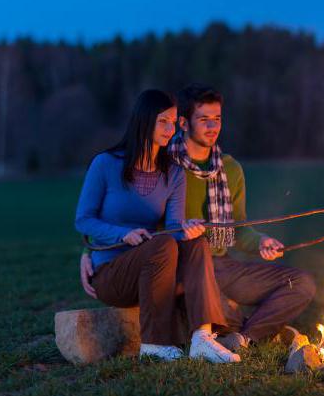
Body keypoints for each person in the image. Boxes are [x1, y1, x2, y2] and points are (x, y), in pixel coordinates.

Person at [80, 84, 316, 351]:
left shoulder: (229, 168)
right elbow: (127, 216)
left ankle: (244, 338)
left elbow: (237, 227)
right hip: (181, 265)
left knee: (301, 284)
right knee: (207, 294)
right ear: (184, 123)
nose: (212, 127)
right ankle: (235, 331)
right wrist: (89, 251)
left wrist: (261, 241)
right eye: (203, 119)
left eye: (217, 119)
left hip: (221, 263)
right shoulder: (164, 161)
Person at [75, 89, 239, 363]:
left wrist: (186, 230)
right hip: (111, 274)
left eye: (173, 122)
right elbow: (83, 219)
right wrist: (122, 234)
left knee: (196, 242)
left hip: (154, 273)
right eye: (163, 121)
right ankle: (154, 343)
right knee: (161, 243)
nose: (170, 129)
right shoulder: (105, 164)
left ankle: (202, 337)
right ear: (144, 120)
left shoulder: (173, 173)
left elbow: (173, 228)